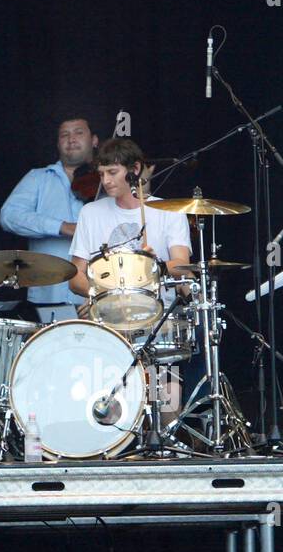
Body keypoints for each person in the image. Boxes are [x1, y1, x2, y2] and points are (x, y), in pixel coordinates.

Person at [68, 137, 193, 415]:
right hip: (108, 322)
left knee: (167, 397)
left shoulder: (168, 211)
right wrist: (97, 297)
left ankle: (164, 451)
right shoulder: (91, 213)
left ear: (134, 169)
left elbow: (182, 265)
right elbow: (75, 275)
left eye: (113, 172)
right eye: (102, 174)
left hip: (158, 320)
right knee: (108, 398)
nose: (106, 180)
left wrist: (156, 264)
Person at [0, 116, 100, 323]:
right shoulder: (38, 177)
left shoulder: (107, 180)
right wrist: (62, 227)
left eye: (79, 132)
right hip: (49, 294)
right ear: (57, 144)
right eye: (65, 134)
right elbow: (9, 216)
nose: (71, 139)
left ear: (95, 141)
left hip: (99, 295)